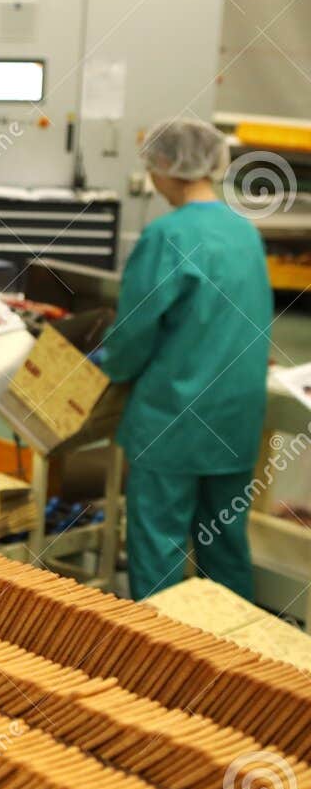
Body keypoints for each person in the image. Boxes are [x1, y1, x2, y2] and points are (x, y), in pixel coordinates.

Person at [95, 117, 270, 602]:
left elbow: (134, 330)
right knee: (225, 544)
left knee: (159, 546)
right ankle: (237, 654)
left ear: (167, 165)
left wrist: (106, 370)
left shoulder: (167, 236)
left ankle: (163, 665)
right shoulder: (244, 233)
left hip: (173, 418)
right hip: (235, 415)